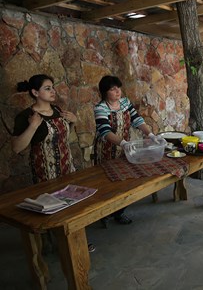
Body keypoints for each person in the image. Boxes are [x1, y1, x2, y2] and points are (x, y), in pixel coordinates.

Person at [11, 74, 95, 253]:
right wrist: (33, 126)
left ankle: (77, 241)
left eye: (53, 87)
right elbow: (17, 147)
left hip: (67, 167)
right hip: (45, 173)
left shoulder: (57, 110)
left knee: (73, 204)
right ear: (35, 92)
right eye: (47, 88)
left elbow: (63, 137)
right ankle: (59, 245)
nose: (52, 91)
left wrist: (73, 122)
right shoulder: (26, 116)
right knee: (53, 208)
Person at [94, 75, 156, 228]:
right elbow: (105, 131)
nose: (117, 92)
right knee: (108, 182)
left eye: (118, 88)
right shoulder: (100, 108)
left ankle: (119, 212)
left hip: (125, 148)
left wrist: (151, 135)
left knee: (125, 180)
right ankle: (104, 213)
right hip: (106, 150)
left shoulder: (125, 102)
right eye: (112, 89)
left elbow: (137, 120)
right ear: (104, 92)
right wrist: (123, 143)